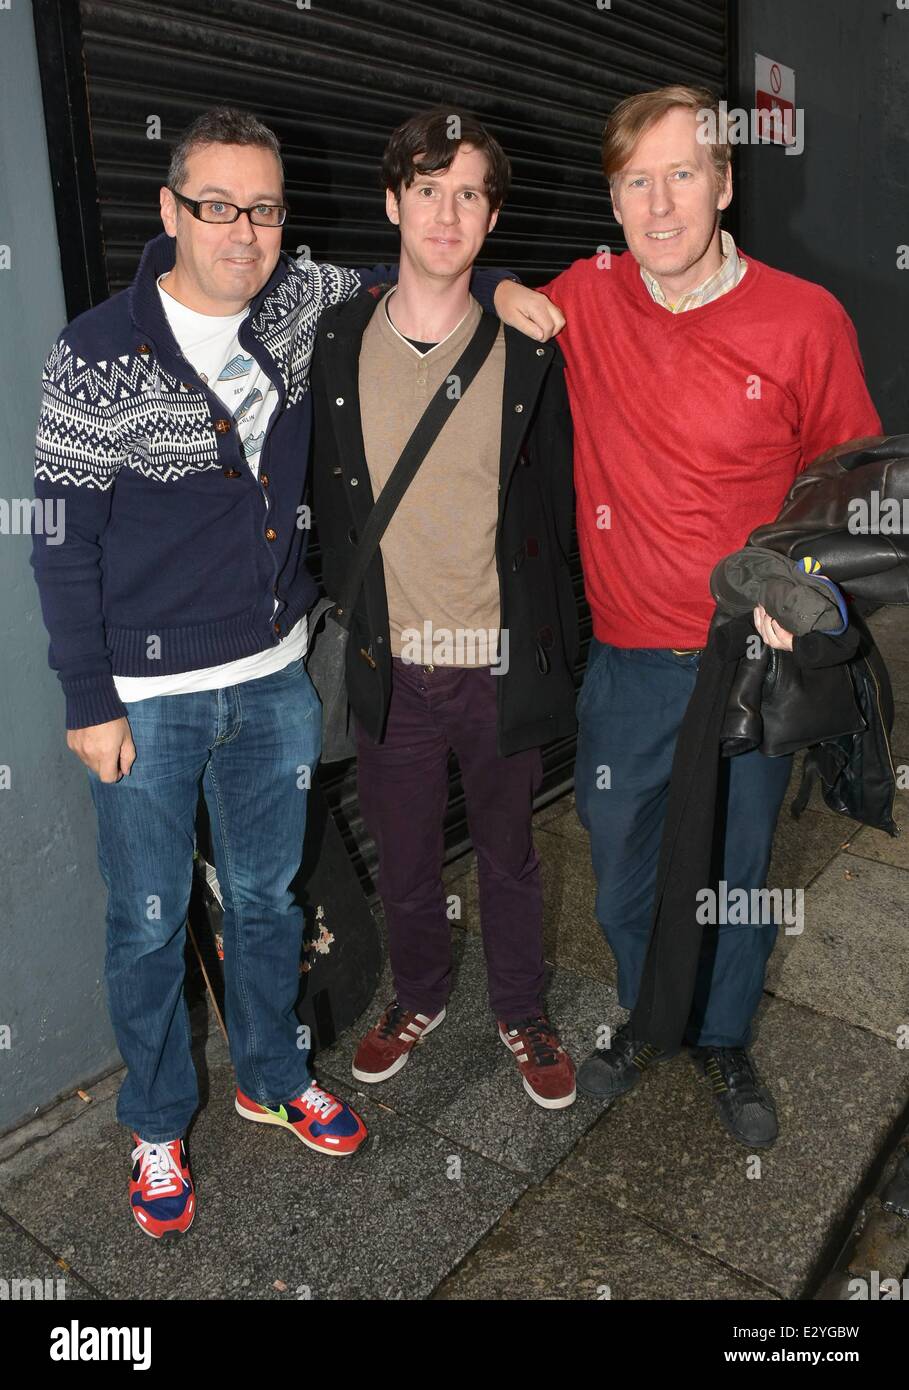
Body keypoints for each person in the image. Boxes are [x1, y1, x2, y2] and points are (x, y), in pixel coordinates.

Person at [30, 105, 559, 1238]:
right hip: (149, 700)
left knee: (269, 901)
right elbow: (60, 539)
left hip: (275, 680)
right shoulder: (94, 351)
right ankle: (159, 1123)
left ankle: (274, 1076)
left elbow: (428, 257)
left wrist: (508, 280)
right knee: (149, 918)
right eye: (216, 205)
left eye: (264, 207)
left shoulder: (300, 305)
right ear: (170, 211)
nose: (243, 229)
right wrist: (87, 696)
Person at [524, 84, 882, 1146]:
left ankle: (723, 1033)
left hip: (748, 665)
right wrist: (502, 296)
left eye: (684, 174)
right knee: (622, 855)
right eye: (635, 181)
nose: (660, 204)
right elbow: (459, 301)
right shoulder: (582, 299)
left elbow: (855, 487)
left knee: (736, 869)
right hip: (628, 661)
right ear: (614, 198)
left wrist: (810, 596)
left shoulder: (805, 317)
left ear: (726, 183)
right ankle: (651, 1016)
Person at [311, 107, 579, 1109]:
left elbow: (556, 501)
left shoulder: (532, 345)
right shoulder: (336, 337)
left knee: (509, 855)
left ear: (492, 214)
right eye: (427, 188)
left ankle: (521, 1007)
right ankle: (418, 993)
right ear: (392, 202)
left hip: (496, 658)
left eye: (470, 192)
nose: (447, 210)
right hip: (391, 663)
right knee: (411, 857)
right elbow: (203, 253)